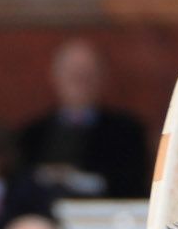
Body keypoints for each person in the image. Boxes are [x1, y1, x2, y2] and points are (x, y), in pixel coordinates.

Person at [18, 38, 149, 200]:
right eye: (72, 73)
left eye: (87, 74)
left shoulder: (127, 131)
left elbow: (132, 186)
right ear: (55, 75)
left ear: (102, 77)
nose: (80, 81)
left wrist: (80, 180)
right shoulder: (31, 133)